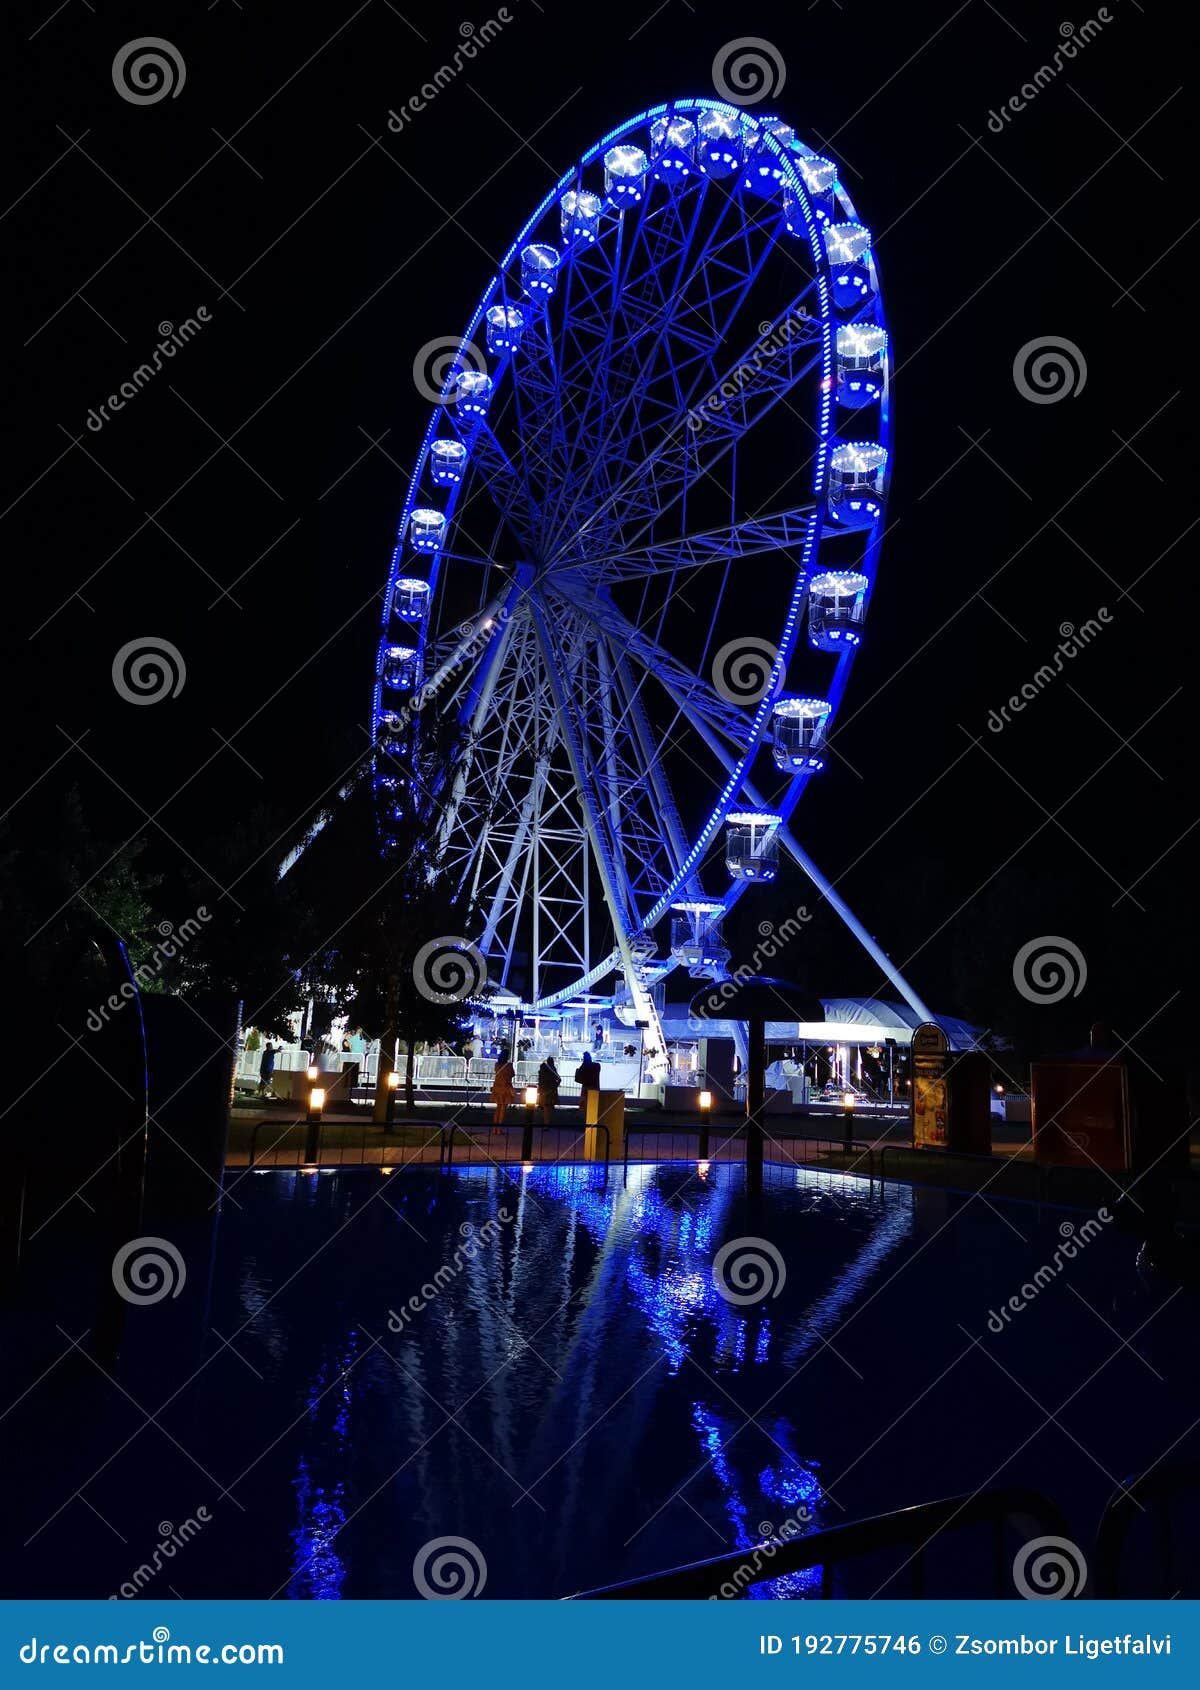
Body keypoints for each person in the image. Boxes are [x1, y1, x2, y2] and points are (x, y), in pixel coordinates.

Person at [491, 1055, 516, 1133]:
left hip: (497, 1087)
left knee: (498, 1108)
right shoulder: (509, 1065)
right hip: (505, 1087)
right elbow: (512, 1074)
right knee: (503, 1108)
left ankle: (494, 1128)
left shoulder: (497, 1065)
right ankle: (499, 1128)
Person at [537, 1057, 560, 1128]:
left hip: (544, 1090)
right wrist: (555, 1086)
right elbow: (558, 1079)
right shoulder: (552, 1070)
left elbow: (540, 1080)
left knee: (545, 1107)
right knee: (548, 1107)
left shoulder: (543, 1070)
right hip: (551, 1091)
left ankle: (545, 1122)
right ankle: (547, 1123)